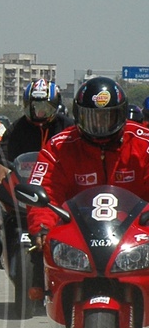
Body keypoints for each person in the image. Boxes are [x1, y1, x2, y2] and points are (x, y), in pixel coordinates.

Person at [27, 76, 149, 243]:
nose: (100, 124)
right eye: (92, 117)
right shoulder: (58, 147)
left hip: (137, 237)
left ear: (121, 114)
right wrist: (43, 226)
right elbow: (45, 190)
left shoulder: (143, 143)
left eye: (107, 117)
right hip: (77, 239)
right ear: (78, 115)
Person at [0, 80, 69, 163]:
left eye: (45, 107)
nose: (39, 114)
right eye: (34, 107)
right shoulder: (16, 129)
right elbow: (4, 158)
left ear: (55, 106)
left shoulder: (67, 127)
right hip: (26, 171)